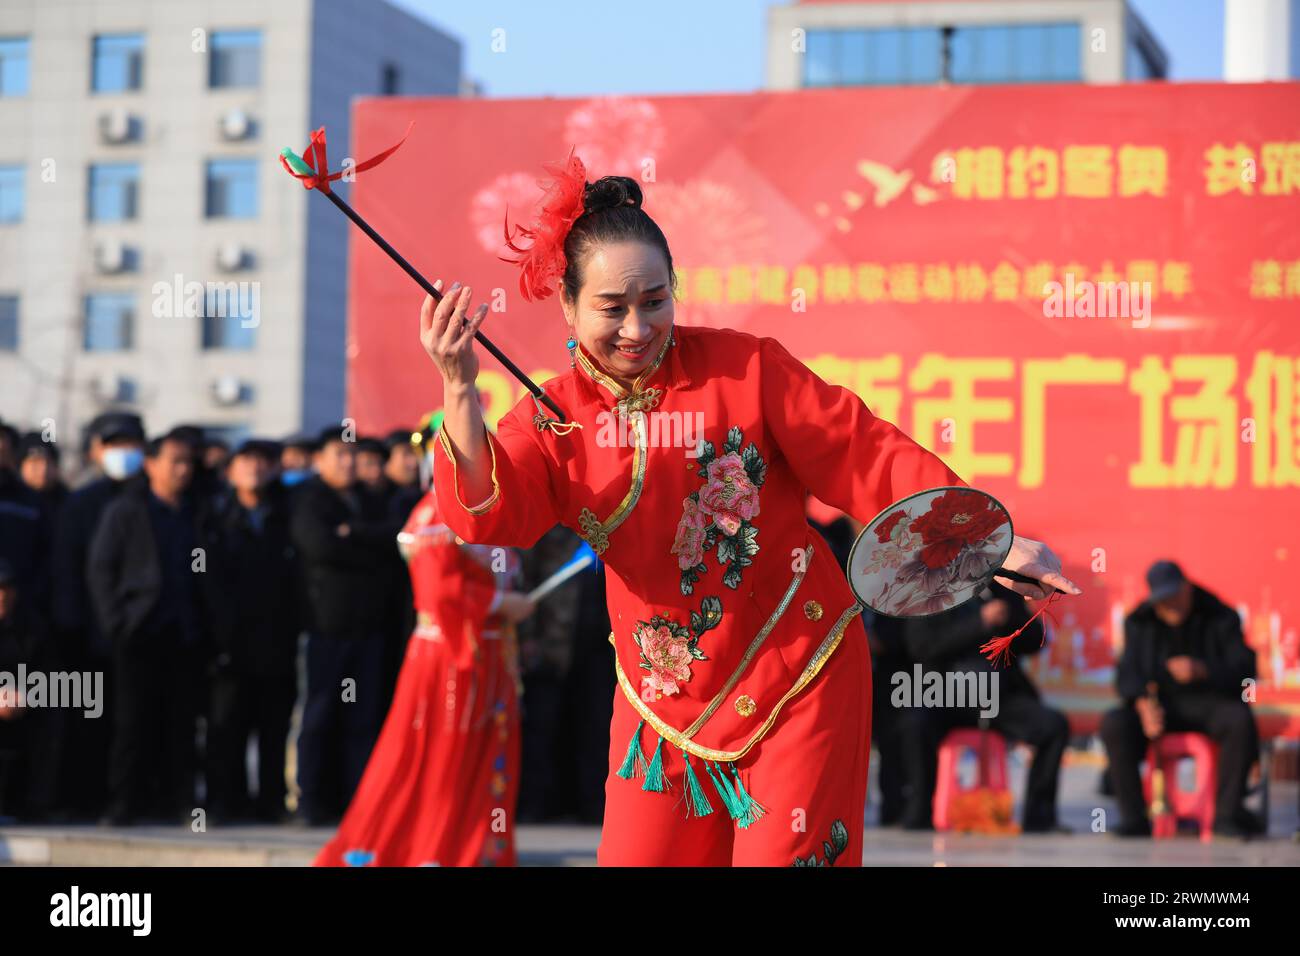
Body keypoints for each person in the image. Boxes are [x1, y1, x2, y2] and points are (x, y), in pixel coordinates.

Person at [420, 156, 1079, 866]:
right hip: (660, 704)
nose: (637, 328)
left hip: (800, 670)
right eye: (612, 308)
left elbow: (864, 452)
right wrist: (459, 391)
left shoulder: (746, 369)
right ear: (569, 308)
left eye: (655, 300)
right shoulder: (551, 420)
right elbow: (490, 519)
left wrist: (988, 538)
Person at [314, 412, 536, 866]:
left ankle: (469, 848)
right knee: (437, 754)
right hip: (448, 656)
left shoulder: (487, 511)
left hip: (489, 652)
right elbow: (437, 593)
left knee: (476, 752)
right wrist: (499, 606)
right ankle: (428, 849)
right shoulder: (436, 509)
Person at [87, 429, 207, 825]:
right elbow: (102, 569)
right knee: (132, 723)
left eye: (188, 462)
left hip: (184, 633)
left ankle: (176, 802)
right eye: (174, 461)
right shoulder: (126, 509)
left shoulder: (196, 512)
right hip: (138, 631)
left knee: (181, 724)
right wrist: (116, 622)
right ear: (151, 464)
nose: (182, 469)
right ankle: (123, 805)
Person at [1100, 560, 1260, 838]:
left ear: (1187, 589)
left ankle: (1226, 816)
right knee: (1115, 723)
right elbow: (1126, 674)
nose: (1170, 606)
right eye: (1163, 600)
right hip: (1159, 707)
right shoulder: (1140, 621)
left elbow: (1246, 669)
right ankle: (1134, 818)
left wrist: (1202, 669)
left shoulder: (1220, 615)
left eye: (1175, 596)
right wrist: (1141, 704)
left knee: (1239, 719)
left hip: (1209, 704)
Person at [896, 581, 1069, 832]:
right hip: (943, 695)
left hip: (998, 698)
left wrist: (1012, 619)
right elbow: (921, 647)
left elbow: (1033, 642)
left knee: (1053, 725)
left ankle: (1039, 817)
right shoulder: (929, 591)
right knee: (914, 722)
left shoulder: (1000, 589)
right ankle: (920, 811)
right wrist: (980, 623)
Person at [290, 425, 396, 825]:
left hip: (368, 628)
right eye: (339, 455)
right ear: (319, 461)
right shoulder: (309, 499)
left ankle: (359, 806)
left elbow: (394, 540)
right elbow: (320, 547)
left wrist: (355, 535)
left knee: (362, 720)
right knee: (318, 717)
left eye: (352, 455)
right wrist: (362, 545)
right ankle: (310, 802)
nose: (349, 462)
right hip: (324, 628)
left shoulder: (370, 500)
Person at [47, 411, 147, 820]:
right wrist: (71, 624)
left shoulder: (151, 499)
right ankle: (82, 798)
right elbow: (68, 567)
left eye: (130, 445)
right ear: (94, 451)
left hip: (138, 632)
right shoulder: (81, 502)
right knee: (86, 718)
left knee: (133, 724)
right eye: (112, 445)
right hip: (87, 632)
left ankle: (132, 799)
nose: (122, 454)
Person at [201, 439, 301, 823]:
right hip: (227, 640)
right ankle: (224, 802)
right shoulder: (214, 516)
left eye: (263, 463)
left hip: (276, 637)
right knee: (226, 727)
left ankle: (271, 803)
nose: (255, 470)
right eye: (247, 462)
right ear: (230, 471)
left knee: (273, 727)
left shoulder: (285, 514)